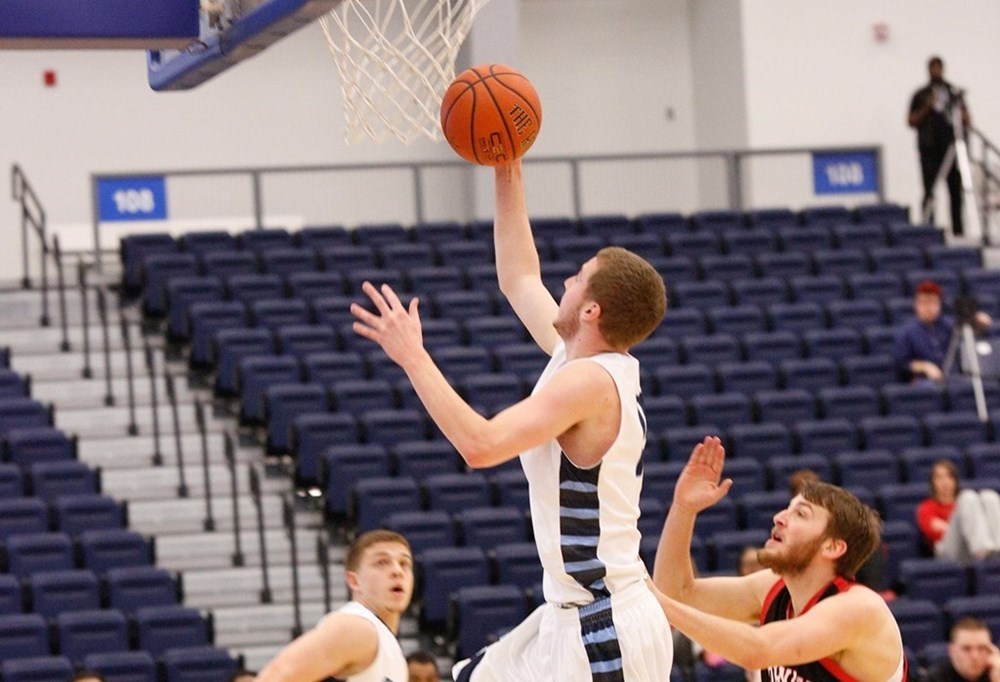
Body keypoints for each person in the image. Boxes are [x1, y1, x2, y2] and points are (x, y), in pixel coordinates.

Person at [351, 158, 672, 681]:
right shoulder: (580, 362)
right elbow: (519, 275)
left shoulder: (588, 384)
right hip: (572, 613)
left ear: (591, 311)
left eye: (580, 277)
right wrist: (508, 164)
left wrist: (413, 355)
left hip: (601, 623)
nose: (566, 279)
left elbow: (481, 445)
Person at [651, 437, 906, 682]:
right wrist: (683, 509)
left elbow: (757, 651)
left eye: (801, 514)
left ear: (832, 546)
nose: (780, 517)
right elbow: (677, 592)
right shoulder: (774, 587)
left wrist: (659, 601)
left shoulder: (860, 609)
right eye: (788, 508)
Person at [256, 530, 413, 682]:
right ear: (354, 581)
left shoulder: (385, 643)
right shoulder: (357, 627)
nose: (397, 571)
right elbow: (275, 676)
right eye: (381, 562)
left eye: (404, 563)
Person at [908, 55, 969, 236]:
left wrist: (957, 107)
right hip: (929, 150)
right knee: (929, 191)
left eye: (938, 68)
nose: (936, 71)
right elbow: (911, 120)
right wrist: (928, 106)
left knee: (956, 193)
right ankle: (929, 231)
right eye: (932, 68)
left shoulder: (952, 92)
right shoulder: (920, 94)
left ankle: (959, 230)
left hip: (951, 149)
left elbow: (967, 119)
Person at [892, 280, 992, 383]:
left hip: (953, 377)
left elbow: (970, 340)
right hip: (924, 381)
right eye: (924, 302)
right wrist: (925, 367)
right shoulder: (907, 331)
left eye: (933, 302)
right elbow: (902, 363)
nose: (929, 307)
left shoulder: (950, 325)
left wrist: (978, 323)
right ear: (916, 305)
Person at [916, 459, 1000, 564]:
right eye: (939, 478)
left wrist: (946, 525)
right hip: (947, 550)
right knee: (967, 497)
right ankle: (982, 550)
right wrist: (966, 526)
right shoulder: (926, 507)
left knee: (989, 496)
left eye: (949, 477)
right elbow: (933, 532)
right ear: (933, 482)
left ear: (955, 481)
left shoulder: (967, 506)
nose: (945, 482)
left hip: (971, 545)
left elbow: (942, 527)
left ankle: (996, 549)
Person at [925, 617, 1000, 682]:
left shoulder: (995, 672)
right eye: (966, 649)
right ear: (952, 651)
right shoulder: (935, 678)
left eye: (981, 648)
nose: (975, 656)